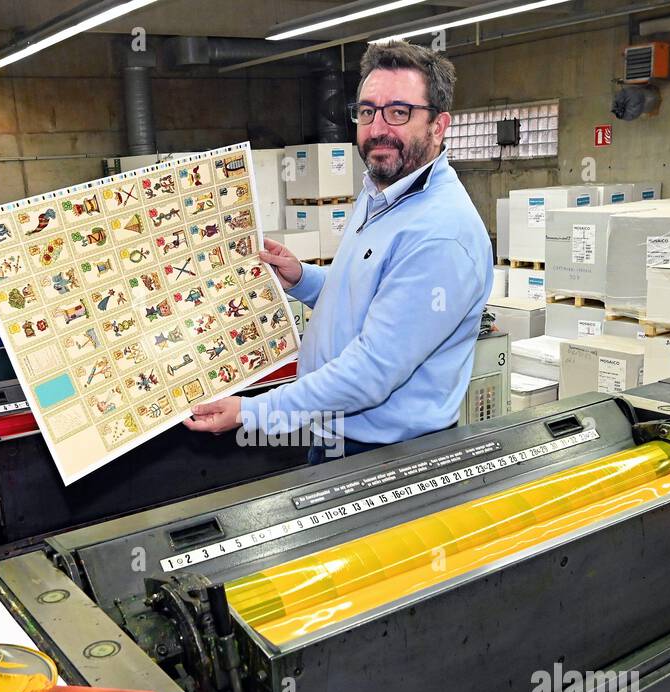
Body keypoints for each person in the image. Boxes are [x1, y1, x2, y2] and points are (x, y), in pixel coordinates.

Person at [183, 40, 493, 465]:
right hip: (337, 436)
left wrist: (255, 411)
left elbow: (371, 374)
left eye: (399, 112)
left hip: (389, 459)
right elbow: (370, 295)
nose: (378, 127)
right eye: (367, 111)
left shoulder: (439, 234)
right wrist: (303, 279)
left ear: (439, 126)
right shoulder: (380, 193)